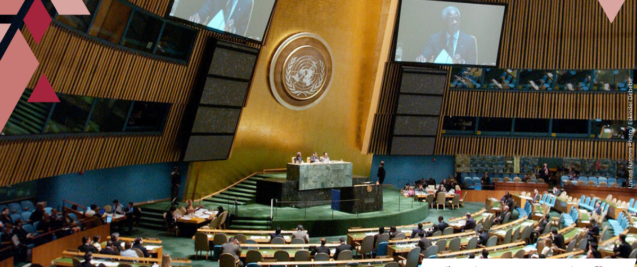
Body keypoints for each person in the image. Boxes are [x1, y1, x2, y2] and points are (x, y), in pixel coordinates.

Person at [187, 0, 254, 36]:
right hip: (207, 35)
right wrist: (198, 17)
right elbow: (203, 12)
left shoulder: (247, 2)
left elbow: (241, 33)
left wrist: (232, 31)